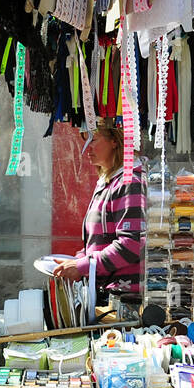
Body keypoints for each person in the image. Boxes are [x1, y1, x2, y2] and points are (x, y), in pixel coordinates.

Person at [53, 121, 146, 300]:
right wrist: (76, 262)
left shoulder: (130, 182)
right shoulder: (110, 182)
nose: (86, 147)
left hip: (124, 298)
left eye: (93, 139)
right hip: (107, 293)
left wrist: (82, 266)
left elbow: (132, 244)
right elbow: (101, 241)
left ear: (115, 141)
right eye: (85, 139)